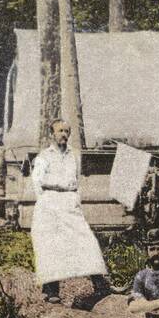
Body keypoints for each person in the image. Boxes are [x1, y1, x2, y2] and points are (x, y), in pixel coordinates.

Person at [30, 119, 114, 304]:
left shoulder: (73, 155)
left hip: (69, 203)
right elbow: (37, 182)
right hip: (49, 204)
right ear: (52, 133)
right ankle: (51, 290)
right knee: (51, 246)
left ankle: (100, 285)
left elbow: (78, 182)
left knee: (86, 241)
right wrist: (45, 202)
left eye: (67, 131)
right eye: (60, 131)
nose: (64, 134)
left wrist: (76, 200)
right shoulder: (44, 156)